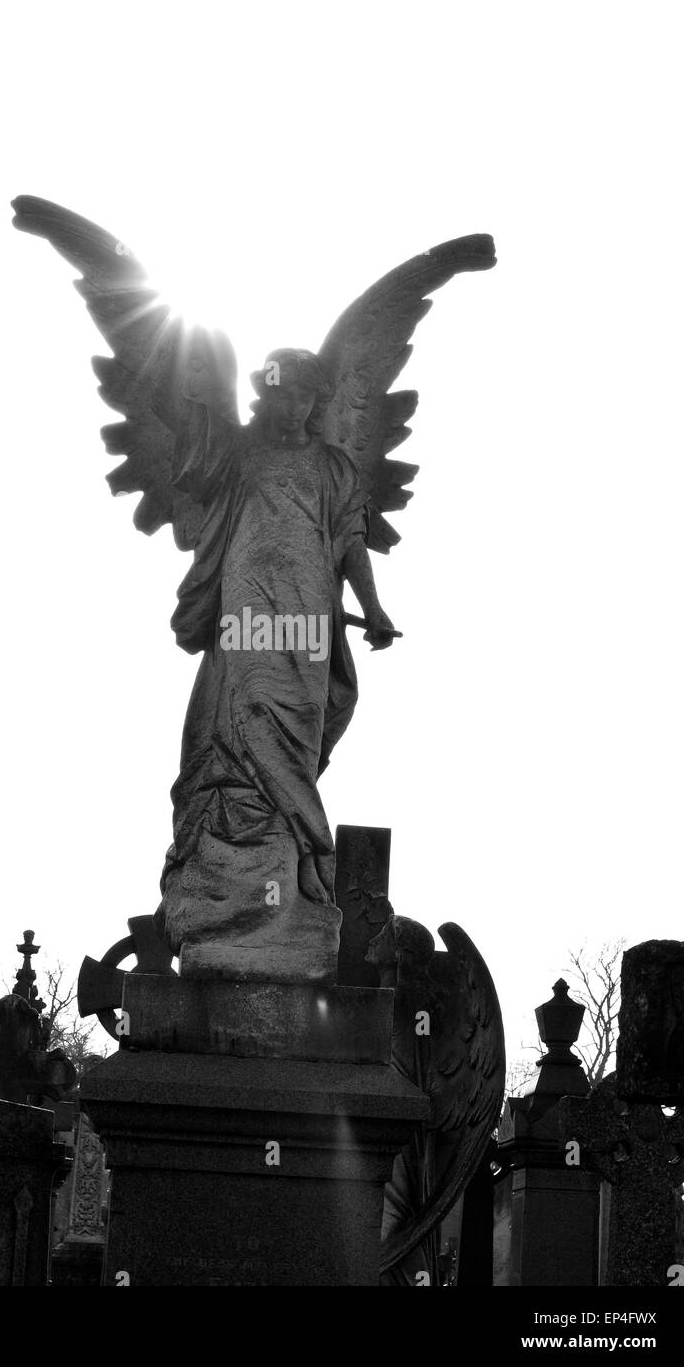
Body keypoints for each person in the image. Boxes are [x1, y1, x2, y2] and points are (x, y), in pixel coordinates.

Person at [155, 349, 398, 964]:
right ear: (266, 398)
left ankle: (294, 880)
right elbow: (196, 457)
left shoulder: (333, 468)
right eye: (283, 396)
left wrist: (373, 607)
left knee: (302, 730)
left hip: (309, 612)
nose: (294, 408)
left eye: (306, 398)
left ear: (316, 403)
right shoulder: (239, 454)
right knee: (248, 717)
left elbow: (349, 542)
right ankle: (271, 886)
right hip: (247, 603)